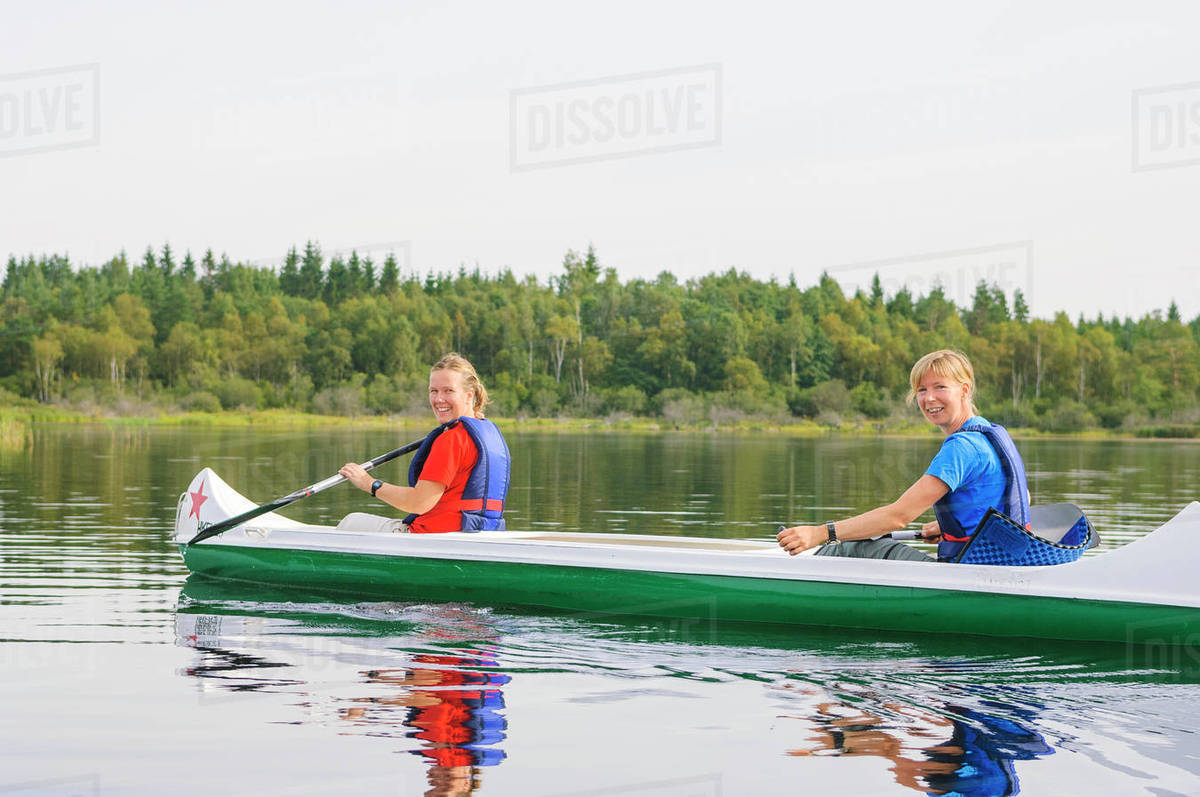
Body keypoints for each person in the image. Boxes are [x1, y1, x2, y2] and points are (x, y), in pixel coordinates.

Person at [777, 349, 1029, 562]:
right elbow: (1022, 497)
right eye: (921, 390)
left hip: (968, 572)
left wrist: (820, 533)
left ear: (964, 390)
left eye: (940, 387)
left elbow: (897, 517)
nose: (929, 398)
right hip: (1001, 564)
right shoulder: (988, 434)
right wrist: (951, 527)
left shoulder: (961, 448)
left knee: (853, 548)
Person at [339, 353, 511, 533]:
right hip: (481, 533)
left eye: (448, 391)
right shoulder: (490, 432)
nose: (438, 399)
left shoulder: (452, 439)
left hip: (434, 535)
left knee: (350, 522)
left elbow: (418, 503)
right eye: (433, 391)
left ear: (469, 396)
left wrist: (369, 483)